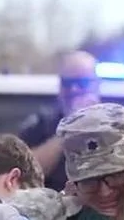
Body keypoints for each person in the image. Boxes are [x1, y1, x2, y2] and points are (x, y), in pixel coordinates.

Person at [19, 51, 103, 191]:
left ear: (96, 84)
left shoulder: (118, 124)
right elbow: (25, 174)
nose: (73, 89)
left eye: (81, 83)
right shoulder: (41, 125)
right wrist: (70, 127)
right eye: (67, 83)